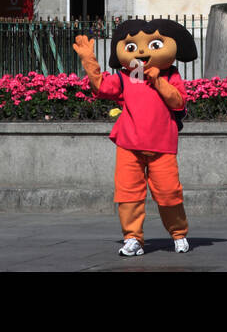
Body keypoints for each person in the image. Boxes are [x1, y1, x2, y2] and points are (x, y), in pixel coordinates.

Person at [73, 19, 197, 256]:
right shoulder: (125, 77)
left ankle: (178, 234)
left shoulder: (171, 75)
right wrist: (89, 59)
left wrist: (157, 80)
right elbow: (100, 87)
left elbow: (178, 102)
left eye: (153, 44)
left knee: (169, 193)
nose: (141, 51)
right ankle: (132, 238)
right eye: (132, 46)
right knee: (128, 193)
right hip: (129, 144)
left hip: (162, 145)